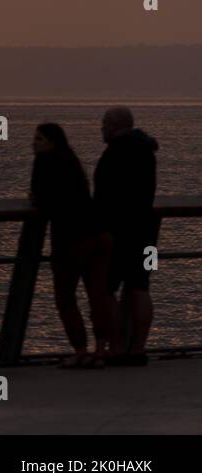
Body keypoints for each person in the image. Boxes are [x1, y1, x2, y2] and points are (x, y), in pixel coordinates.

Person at [30, 123, 115, 368]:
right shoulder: (72, 161)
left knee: (65, 298)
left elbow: (43, 203)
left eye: (39, 139)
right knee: (97, 295)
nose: (34, 143)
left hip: (71, 240)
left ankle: (80, 350)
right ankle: (101, 350)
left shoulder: (44, 163)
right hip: (99, 235)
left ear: (52, 142)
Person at [94, 107, 160, 366]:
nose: (101, 128)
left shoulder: (115, 153)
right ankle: (138, 348)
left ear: (114, 126)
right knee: (140, 288)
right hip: (144, 229)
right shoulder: (145, 151)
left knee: (106, 289)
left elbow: (105, 198)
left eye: (103, 123)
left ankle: (117, 347)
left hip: (117, 231)